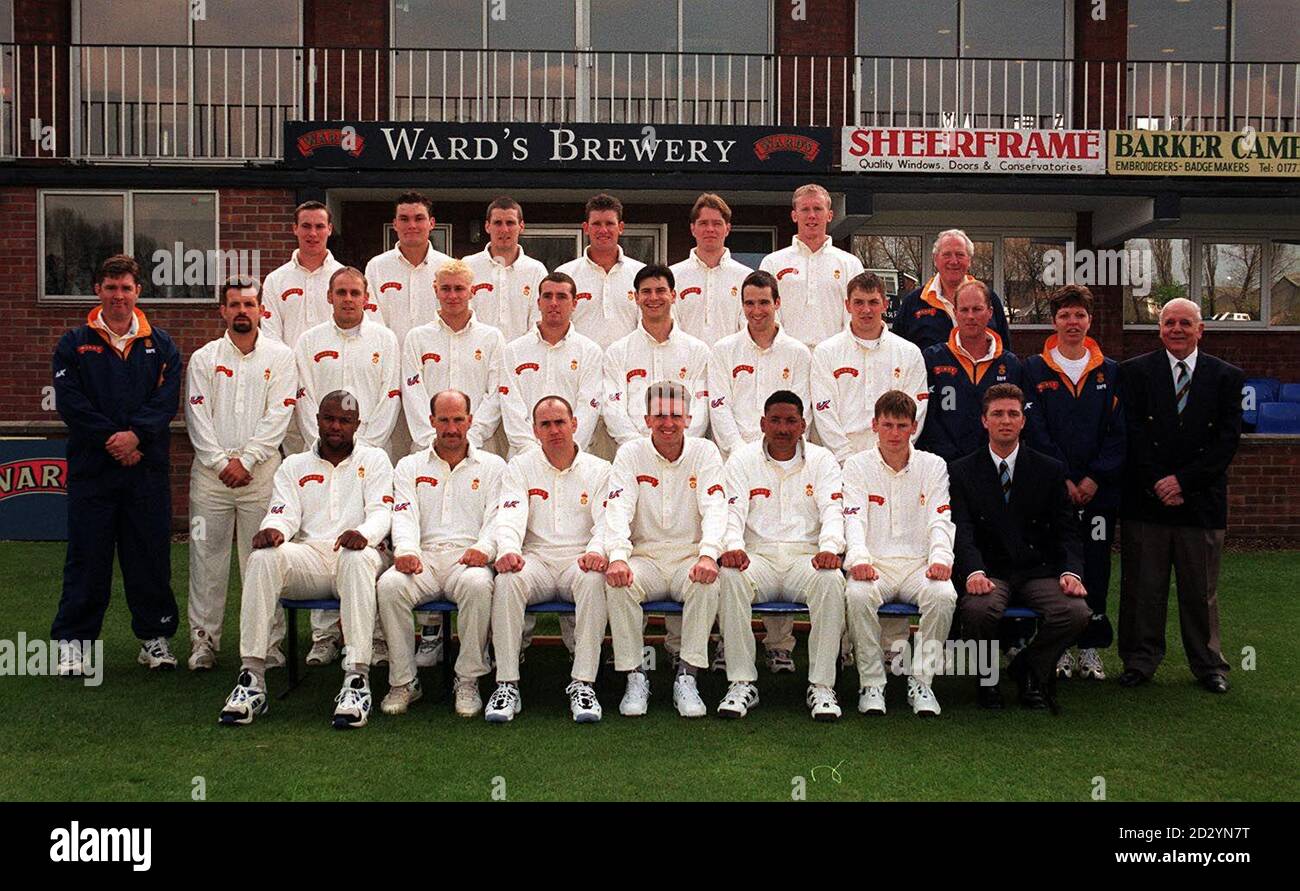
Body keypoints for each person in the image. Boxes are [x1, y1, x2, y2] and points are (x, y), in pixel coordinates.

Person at [217, 390, 393, 728]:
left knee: (357, 559)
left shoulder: (375, 460)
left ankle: (356, 679)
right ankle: (252, 676)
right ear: (317, 420)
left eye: (344, 420)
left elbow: (382, 511)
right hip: (311, 556)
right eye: (329, 418)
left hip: (358, 555)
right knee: (264, 558)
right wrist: (273, 529)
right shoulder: (294, 464)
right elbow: (282, 513)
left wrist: (364, 535)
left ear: (357, 424)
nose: (335, 426)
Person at [52, 254, 183, 677]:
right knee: (87, 558)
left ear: (138, 292)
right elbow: (72, 404)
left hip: (145, 469)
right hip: (95, 470)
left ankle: (155, 638)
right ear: (97, 291)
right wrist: (113, 439)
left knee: (149, 557)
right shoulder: (73, 344)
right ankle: (74, 645)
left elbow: (165, 402)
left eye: (126, 288)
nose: (119, 296)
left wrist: (136, 437)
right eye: (111, 288)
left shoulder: (160, 345)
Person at [1117, 298, 1243, 695]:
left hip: (1201, 502)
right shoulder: (1134, 373)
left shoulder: (1227, 377)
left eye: (1185, 323)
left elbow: (1226, 443)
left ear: (1200, 330)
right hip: (1146, 500)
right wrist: (1159, 481)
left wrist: (1183, 482)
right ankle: (1140, 661)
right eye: (1169, 322)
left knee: (1199, 590)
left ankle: (1209, 665)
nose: (1176, 329)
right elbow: (1132, 434)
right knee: (1143, 588)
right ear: (1159, 329)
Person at [950, 384, 1090, 712]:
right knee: (978, 609)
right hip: (990, 570)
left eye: (1013, 414)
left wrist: (1071, 572)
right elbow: (961, 530)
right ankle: (987, 680)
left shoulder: (1049, 469)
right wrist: (973, 571)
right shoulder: (961, 470)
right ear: (984, 420)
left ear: (1023, 421)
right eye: (997, 414)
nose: (1005, 421)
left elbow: (1068, 531)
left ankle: (1030, 669)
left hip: (1036, 570)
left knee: (1075, 612)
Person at [184, 276, 298, 671]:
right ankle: (203, 642)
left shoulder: (281, 357)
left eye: (249, 305)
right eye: (234, 305)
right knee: (206, 559)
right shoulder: (204, 358)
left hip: (261, 476)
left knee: (263, 560)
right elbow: (197, 419)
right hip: (210, 480)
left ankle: (267, 644)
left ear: (262, 310)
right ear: (223, 311)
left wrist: (247, 461)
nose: (242, 312)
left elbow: (279, 415)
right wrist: (221, 463)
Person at [292, 267, 401, 664]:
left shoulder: (385, 340)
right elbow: (304, 399)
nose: (348, 299)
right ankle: (323, 635)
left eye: (356, 292)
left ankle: (371, 636)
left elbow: (391, 395)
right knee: (319, 535)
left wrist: (362, 448)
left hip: (369, 457)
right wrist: (324, 444)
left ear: (367, 297)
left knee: (364, 542)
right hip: (322, 455)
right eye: (341, 292)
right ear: (330, 296)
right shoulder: (309, 341)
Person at [375, 390, 506, 718]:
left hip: (469, 557)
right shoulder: (409, 466)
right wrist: (405, 550)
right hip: (424, 557)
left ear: (470, 421)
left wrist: (484, 549)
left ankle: (468, 679)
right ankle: (404, 681)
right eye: (444, 420)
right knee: (390, 586)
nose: (451, 428)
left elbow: (498, 517)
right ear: (431, 421)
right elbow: (403, 514)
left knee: (478, 585)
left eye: (458, 419)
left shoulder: (493, 466)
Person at [716, 391, 846, 721]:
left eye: (791, 421)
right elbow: (732, 512)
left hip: (806, 557)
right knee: (729, 576)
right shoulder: (742, 460)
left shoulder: (822, 460)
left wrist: (830, 548)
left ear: (804, 425)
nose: (783, 428)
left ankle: (821, 685)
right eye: (775, 420)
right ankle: (742, 681)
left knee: (831, 581)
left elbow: (833, 510)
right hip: (756, 557)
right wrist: (733, 547)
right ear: (762, 423)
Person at [484, 395, 612, 724]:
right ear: (535, 430)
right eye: (546, 424)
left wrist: (596, 551)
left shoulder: (600, 471)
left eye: (560, 422)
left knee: (593, 579)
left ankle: (584, 683)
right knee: (508, 580)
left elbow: (607, 522)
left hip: (579, 560)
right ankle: (507, 683)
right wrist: (509, 550)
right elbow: (509, 517)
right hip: (535, 560)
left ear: (574, 425)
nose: (554, 430)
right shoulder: (520, 467)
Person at [707, 269, 811, 672]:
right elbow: (719, 405)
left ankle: (780, 643)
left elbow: (801, 409)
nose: (756, 310)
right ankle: (726, 641)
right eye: (749, 303)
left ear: (777, 303)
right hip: (736, 461)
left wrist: (776, 449)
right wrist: (743, 455)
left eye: (763, 302)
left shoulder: (798, 353)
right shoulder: (724, 350)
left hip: (785, 456)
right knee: (734, 547)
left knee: (781, 538)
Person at [603, 381, 726, 718]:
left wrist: (708, 553)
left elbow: (715, 506)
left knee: (708, 582)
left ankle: (687, 676)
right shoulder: (630, 453)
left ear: (688, 417)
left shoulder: (705, 452)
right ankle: (635, 675)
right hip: (646, 558)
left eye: (674, 415)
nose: (667, 422)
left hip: (689, 555)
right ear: (646, 418)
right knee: (618, 582)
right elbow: (618, 508)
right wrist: (617, 556)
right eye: (659, 415)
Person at [1022, 285, 1125, 681]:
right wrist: (1062, 477)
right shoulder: (1035, 369)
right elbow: (1036, 430)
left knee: (1095, 567)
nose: (1072, 322)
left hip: (1098, 493)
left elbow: (1118, 433)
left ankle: (1091, 649)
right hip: (1053, 491)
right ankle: (1058, 649)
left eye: (1079, 315)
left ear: (1089, 320)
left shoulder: (1110, 371)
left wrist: (1094, 478)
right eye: (1064, 315)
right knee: (1053, 567)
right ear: (1054, 321)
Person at [841, 390, 957, 717]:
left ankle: (922, 682)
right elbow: (853, 517)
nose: (894, 433)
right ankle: (872, 683)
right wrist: (859, 559)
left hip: (919, 565)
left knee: (943, 595)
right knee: (857, 594)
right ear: (874, 425)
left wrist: (940, 559)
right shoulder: (857, 465)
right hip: (874, 564)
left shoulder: (933, 466)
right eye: (887, 425)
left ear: (913, 427)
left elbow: (940, 517)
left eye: (901, 426)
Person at [365, 191, 455, 456]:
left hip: (432, 379)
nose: (411, 225)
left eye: (419, 218)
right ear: (394, 224)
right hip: (389, 378)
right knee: (390, 454)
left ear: (432, 223)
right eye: (404, 219)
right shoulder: (376, 267)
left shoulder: (448, 267)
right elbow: (374, 325)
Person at [812, 271, 928, 463]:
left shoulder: (909, 353)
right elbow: (824, 411)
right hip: (839, 461)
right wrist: (846, 459)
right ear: (847, 305)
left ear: (885, 304)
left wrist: (889, 456)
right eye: (859, 302)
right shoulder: (826, 352)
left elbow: (917, 409)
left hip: (892, 459)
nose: (866, 310)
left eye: (873, 302)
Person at [400, 259, 506, 454]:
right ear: (435, 290)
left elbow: (496, 393)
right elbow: (412, 393)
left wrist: (472, 437)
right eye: (446, 288)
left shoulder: (492, 338)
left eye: (459, 288)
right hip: (427, 448)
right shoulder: (417, 338)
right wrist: (431, 439)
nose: (452, 295)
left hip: (480, 448)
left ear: (471, 291)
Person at [602, 264, 711, 449]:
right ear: (636, 297)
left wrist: (679, 445)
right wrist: (641, 448)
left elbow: (701, 409)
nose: (653, 298)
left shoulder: (697, 351)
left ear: (673, 296)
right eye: (646, 291)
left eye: (661, 291)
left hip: (685, 453)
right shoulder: (617, 352)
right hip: (634, 454)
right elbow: (613, 409)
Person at [499, 271, 604, 460]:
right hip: (524, 460)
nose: (554, 303)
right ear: (538, 302)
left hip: (575, 460)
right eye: (547, 296)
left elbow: (588, 408)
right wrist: (533, 454)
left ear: (574, 304)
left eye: (562, 296)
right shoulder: (513, 351)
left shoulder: (590, 351)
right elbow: (511, 408)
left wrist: (567, 451)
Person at [917, 280, 1023, 464]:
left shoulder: (1009, 363)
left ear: (990, 313)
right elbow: (927, 416)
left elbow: (1016, 418)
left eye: (977, 309)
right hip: (944, 465)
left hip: (994, 465)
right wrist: (950, 458)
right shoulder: (933, 359)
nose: (970, 316)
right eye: (964, 310)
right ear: (955, 313)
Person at [758, 183, 864, 349]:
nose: (812, 215)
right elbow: (766, 312)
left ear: (830, 215)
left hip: (835, 358)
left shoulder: (850, 264)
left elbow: (855, 314)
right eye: (805, 209)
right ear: (794, 215)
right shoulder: (772, 262)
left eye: (818, 209)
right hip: (785, 358)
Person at [891, 229, 1012, 353]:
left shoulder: (989, 298)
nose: (954, 261)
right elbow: (897, 352)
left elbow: (1004, 350)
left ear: (969, 260)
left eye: (960, 255)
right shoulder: (913, 302)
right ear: (935, 259)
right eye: (947, 254)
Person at [555, 193, 645, 350]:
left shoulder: (641, 274)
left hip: (627, 369)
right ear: (586, 228)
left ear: (621, 228)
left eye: (610, 223)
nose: (603, 230)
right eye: (596, 224)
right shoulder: (566, 274)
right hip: (579, 368)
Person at [260, 200, 345, 350]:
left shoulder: (345, 278)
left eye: (319, 226)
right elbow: (270, 336)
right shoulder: (275, 280)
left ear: (330, 229)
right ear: (295, 228)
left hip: (333, 369)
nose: (313, 233)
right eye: (306, 226)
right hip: (290, 369)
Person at [462, 196, 548, 342]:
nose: (504, 229)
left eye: (510, 223)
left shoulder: (536, 270)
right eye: (497, 223)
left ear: (521, 226)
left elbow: (539, 320)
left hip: (522, 358)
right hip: (477, 357)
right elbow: (461, 316)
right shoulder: (468, 266)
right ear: (487, 226)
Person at [669, 193, 749, 345]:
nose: (710, 229)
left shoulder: (746, 277)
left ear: (727, 229)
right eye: (703, 223)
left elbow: (748, 330)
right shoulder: (673, 276)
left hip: (730, 365)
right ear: (693, 229)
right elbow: (670, 329)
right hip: (687, 366)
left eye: (717, 223)